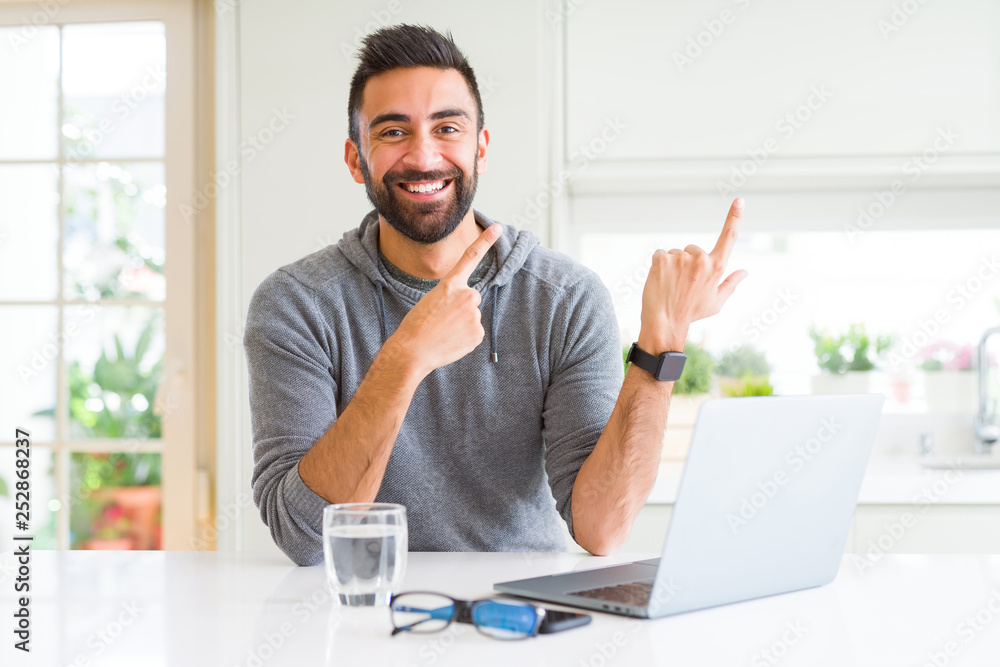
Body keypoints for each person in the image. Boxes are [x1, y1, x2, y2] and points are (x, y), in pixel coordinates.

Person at [244, 24, 747, 566]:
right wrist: (406, 358)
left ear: (480, 147)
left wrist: (660, 344)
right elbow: (303, 536)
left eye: (447, 127)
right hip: (362, 612)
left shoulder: (564, 298)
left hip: (524, 615)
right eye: (392, 132)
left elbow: (603, 529)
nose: (424, 156)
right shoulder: (296, 304)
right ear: (354, 158)